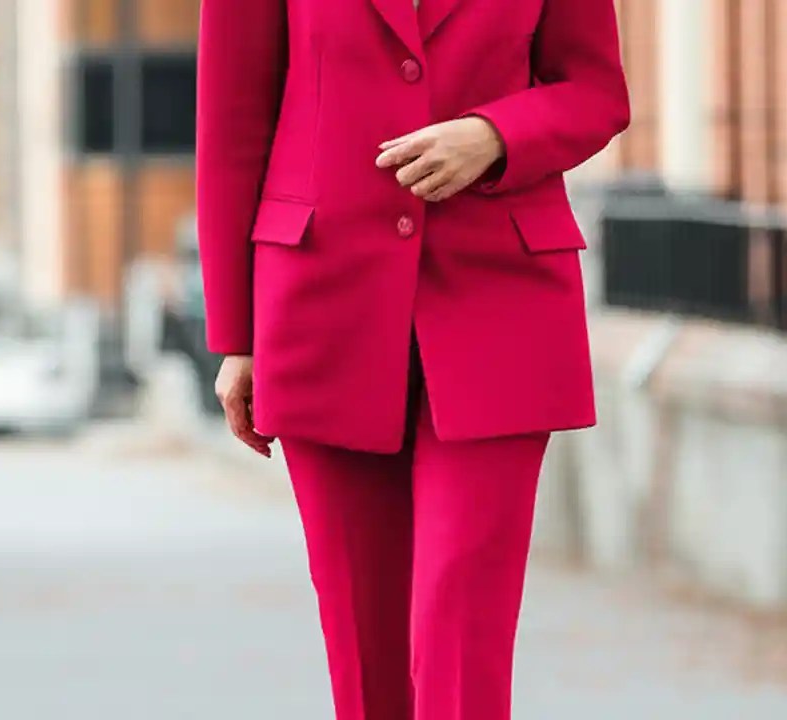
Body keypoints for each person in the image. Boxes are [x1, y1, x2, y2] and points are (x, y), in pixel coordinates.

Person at [196, 0, 629, 716]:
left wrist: (495, 135)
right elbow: (232, 125)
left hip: (500, 305)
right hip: (322, 307)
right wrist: (236, 337)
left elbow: (596, 92)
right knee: (366, 653)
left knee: (461, 628)